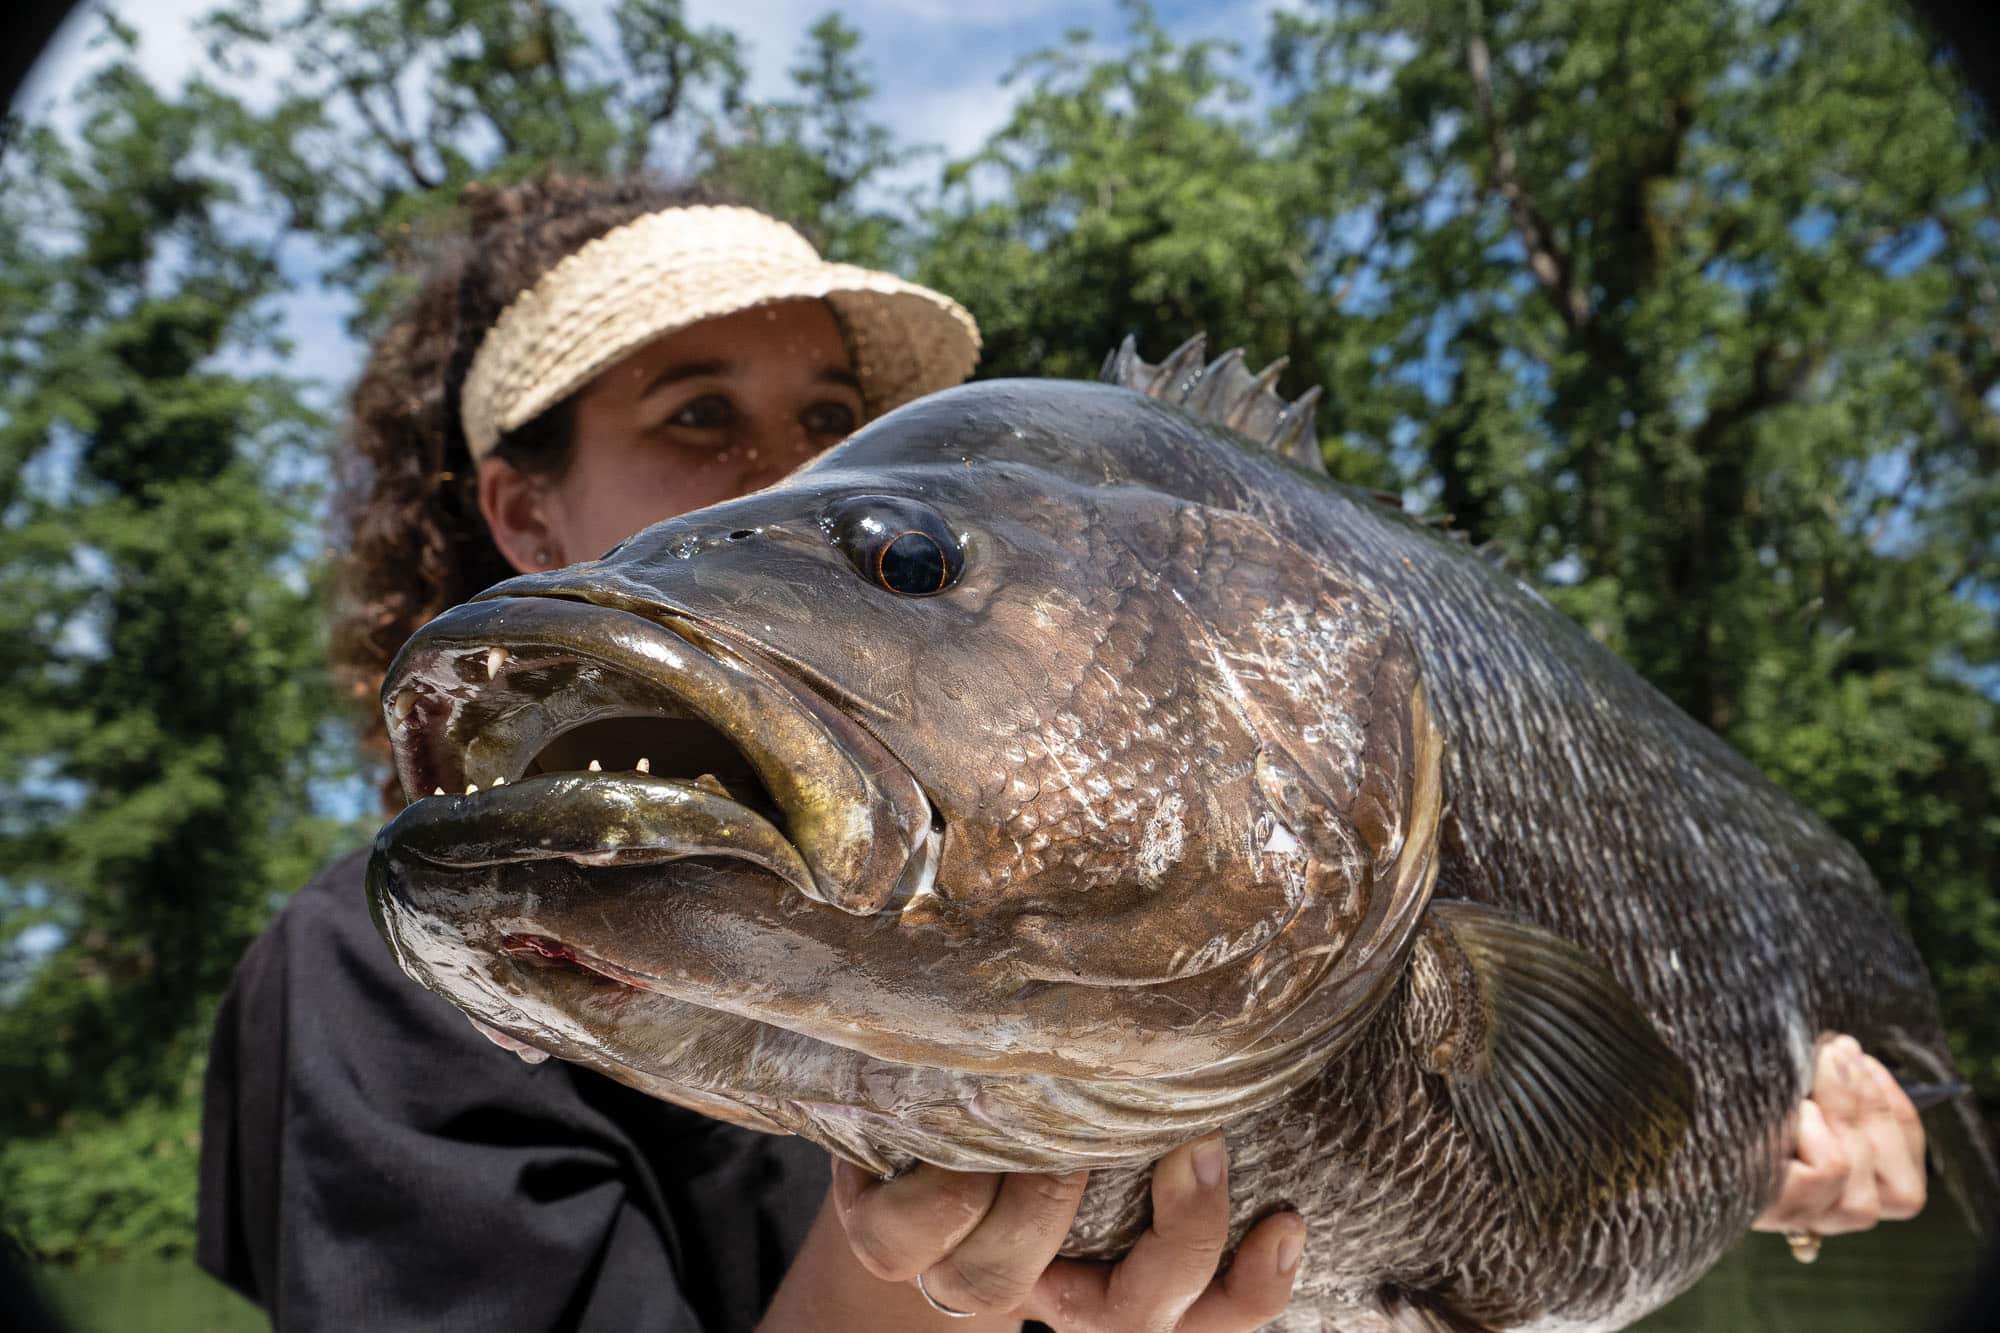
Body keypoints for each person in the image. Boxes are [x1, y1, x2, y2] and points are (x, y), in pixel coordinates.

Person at [196, 175, 1926, 1332]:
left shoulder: (1075, 932)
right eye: (696, 419)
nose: (768, 486)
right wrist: (925, 1291)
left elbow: (1577, 1165)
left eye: (846, 466)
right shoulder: (368, 983)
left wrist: (1770, 1148)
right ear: (523, 509)